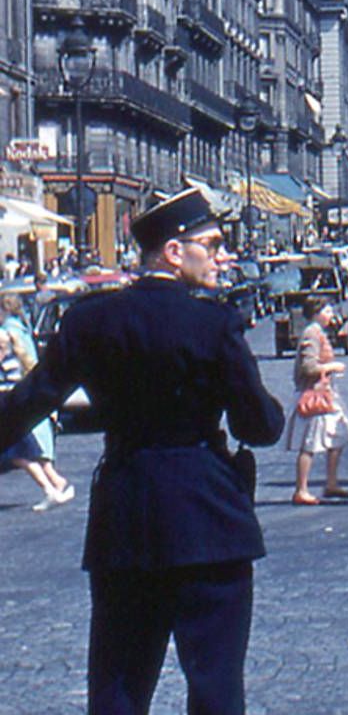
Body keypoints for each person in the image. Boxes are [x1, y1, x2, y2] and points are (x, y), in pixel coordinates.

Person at [0, 186, 284, 714]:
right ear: (174, 252)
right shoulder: (215, 322)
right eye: (214, 244)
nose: (225, 257)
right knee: (216, 684)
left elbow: (32, 399)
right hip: (209, 518)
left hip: (125, 516)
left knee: (119, 686)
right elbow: (260, 426)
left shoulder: (88, 320)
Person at [285, 296, 348, 505]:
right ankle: (301, 489)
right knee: (310, 442)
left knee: (339, 435)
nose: (331, 315)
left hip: (326, 393)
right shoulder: (311, 334)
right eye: (327, 311)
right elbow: (308, 367)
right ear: (316, 312)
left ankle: (331, 483)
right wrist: (332, 367)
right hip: (315, 395)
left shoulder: (317, 333)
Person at [0, 328, 74, 511]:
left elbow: (7, 391)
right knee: (34, 456)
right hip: (16, 418)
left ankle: (50, 491)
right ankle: (59, 484)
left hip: (10, 418)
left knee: (19, 457)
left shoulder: (8, 364)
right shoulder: (11, 361)